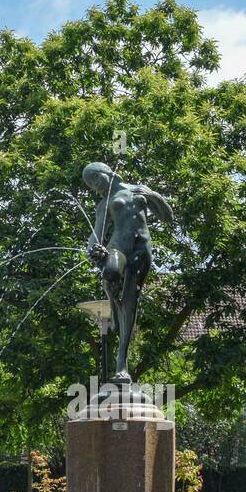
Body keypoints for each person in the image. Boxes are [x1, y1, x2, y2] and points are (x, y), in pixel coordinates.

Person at [82, 161, 174, 382]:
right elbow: (96, 234)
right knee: (110, 272)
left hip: (142, 250)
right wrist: (91, 250)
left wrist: (154, 195)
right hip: (118, 247)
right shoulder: (104, 205)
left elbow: (168, 217)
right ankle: (113, 303)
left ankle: (122, 365)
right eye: (91, 185)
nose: (95, 187)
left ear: (105, 174)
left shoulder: (138, 190)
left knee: (131, 303)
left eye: (95, 180)